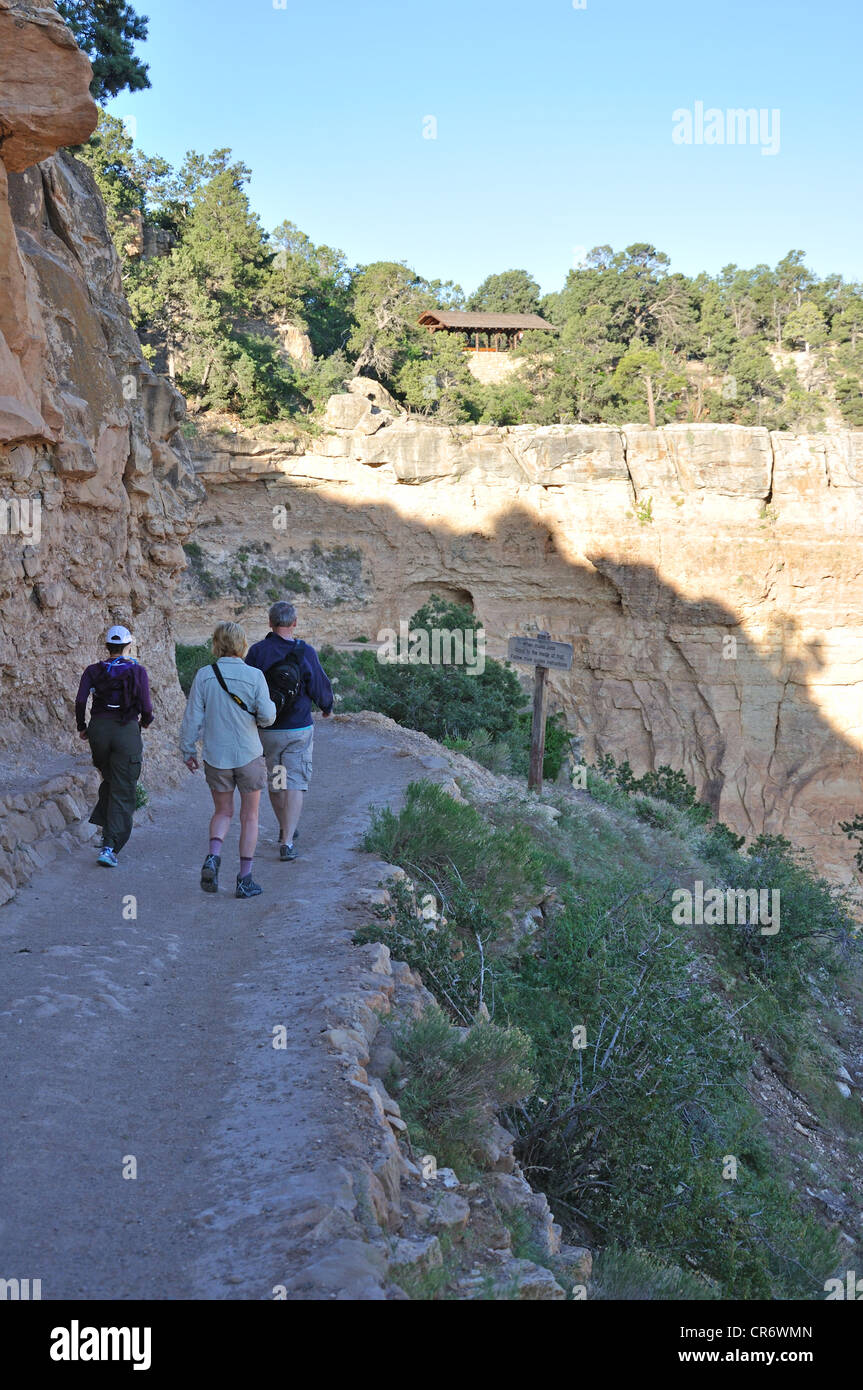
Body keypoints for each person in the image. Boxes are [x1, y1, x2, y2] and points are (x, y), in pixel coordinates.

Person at [179, 622, 277, 899]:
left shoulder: (204, 675)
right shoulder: (255, 675)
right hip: (248, 754)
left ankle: (213, 855)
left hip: (216, 756)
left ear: (216, 643)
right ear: (242, 644)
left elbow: (192, 718)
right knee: (250, 816)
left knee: (222, 812)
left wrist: (187, 750)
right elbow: (268, 716)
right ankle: (244, 879)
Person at [245, 601, 333, 861]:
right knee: (295, 781)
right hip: (299, 729)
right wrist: (326, 706)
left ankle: (285, 827)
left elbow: (249, 687)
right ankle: (287, 842)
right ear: (294, 623)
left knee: (277, 780)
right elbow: (319, 684)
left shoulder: (258, 652)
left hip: (269, 730)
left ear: (270, 623)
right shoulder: (305, 652)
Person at [75, 625, 153, 868]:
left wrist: (82, 726)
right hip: (125, 729)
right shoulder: (137, 671)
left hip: (99, 729)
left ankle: (105, 830)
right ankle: (109, 847)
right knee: (123, 788)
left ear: (107, 645)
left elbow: (80, 700)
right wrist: (145, 722)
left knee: (110, 780)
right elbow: (146, 707)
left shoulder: (92, 670)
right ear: (128, 645)